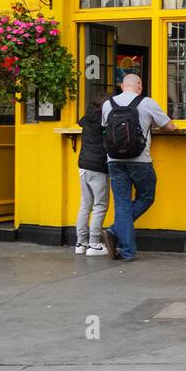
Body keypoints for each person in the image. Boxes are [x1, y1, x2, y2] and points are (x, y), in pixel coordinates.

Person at [101, 72, 175, 261]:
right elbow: (170, 127)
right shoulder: (147, 103)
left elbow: (105, 128)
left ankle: (126, 248)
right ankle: (114, 231)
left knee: (122, 204)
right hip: (140, 160)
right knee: (146, 197)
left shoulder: (107, 104)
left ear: (122, 86)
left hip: (114, 160)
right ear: (139, 85)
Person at [75, 95, 110, 257]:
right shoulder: (103, 121)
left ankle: (81, 243)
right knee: (100, 205)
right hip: (98, 166)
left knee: (85, 205)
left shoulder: (87, 119)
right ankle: (94, 244)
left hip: (83, 165)